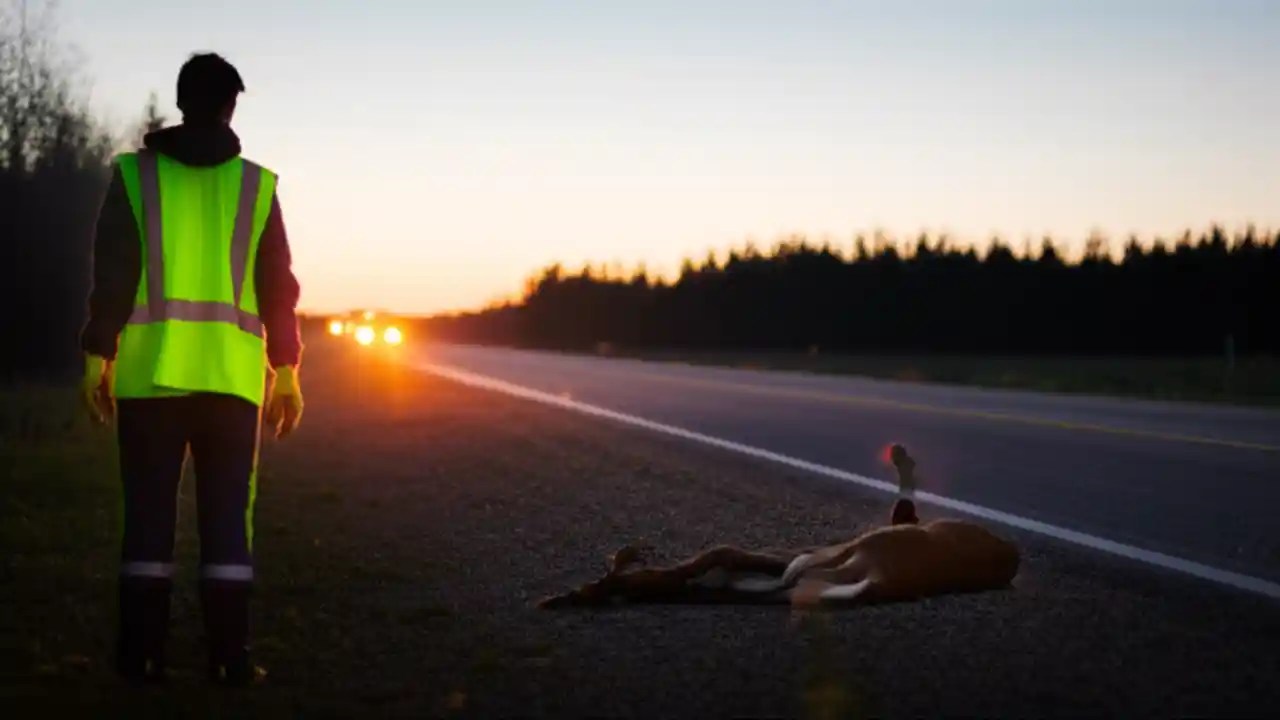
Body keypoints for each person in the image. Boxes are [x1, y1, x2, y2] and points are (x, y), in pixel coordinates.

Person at [79, 52, 304, 686]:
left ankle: (140, 659)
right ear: (231, 106)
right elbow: (277, 289)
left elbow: (113, 278)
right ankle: (230, 662)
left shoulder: (135, 177)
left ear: (182, 103)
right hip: (232, 387)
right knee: (229, 521)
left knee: (147, 519)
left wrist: (98, 355)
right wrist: (285, 370)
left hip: (149, 379)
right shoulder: (257, 187)